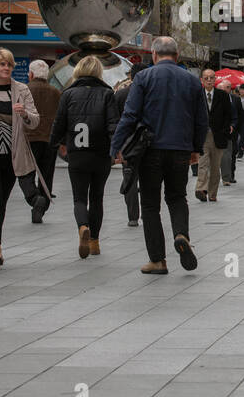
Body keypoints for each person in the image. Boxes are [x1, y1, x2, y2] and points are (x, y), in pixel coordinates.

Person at [110, 36, 206, 275]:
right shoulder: (192, 81)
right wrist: (196, 148)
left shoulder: (143, 78)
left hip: (150, 149)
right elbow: (202, 119)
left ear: (154, 55)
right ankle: (181, 234)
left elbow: (130, 115)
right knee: (177, 197)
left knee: (151, 204)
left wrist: (116, 147)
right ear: (177, 55)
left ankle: (158, 260)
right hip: (181, 149)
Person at [0, 48, 44, 268]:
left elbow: (35, 120)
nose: (6, 68)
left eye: (9, 65)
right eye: (1, 64)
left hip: (12, 156)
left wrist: (24, 114)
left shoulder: (21, 90)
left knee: (1, 202)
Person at [50, 55, 119, 259]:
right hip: (100, 154)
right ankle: (95, 242)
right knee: (97, 198)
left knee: (79, 198)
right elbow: (113, 125)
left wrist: (55, 144)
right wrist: (117, 149)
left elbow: (59, 124)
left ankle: (82, 227)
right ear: (99, 72)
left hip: (77, 154)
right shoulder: (107, 94)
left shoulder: (68, 94)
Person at [196, 69, 235, 203]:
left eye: (211, 78)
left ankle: (212, 193)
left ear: (215, 79)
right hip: (202, 134)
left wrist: (225, 129)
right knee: (203, 163)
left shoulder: (222, 95)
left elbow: (228, 114)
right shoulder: (197, 95)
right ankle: (201, 189)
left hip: (218, 135)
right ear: (201, 80)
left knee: (214, 166)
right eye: (206, 78)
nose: (208, 80)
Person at [114, 62, 144, 226]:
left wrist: (116, 146)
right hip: (149, 143)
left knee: (130, 179)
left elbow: (115, 122)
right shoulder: (153, 94)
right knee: (149, 180)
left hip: (128, 144)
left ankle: (133, 217)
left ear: (131, 76)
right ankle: (149, 212)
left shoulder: (120, 95)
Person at [26, 59, 61, 201]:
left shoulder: (24, 90)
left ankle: (33, 196)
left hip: (29, 138)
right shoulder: (56, 92)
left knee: (27, 171)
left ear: (31, 75)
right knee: (47, 173)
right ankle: (44, 200)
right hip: (49, 138)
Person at [219, 79, 241, 186]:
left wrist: (233, 125)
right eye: (222, 89)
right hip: (214, 133)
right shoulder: (211, 101)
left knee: (227, 156)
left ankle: (226, 178)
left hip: (228, 133)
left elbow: (236, 116)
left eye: (227, 87)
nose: (225, 90)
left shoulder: (231, 102)